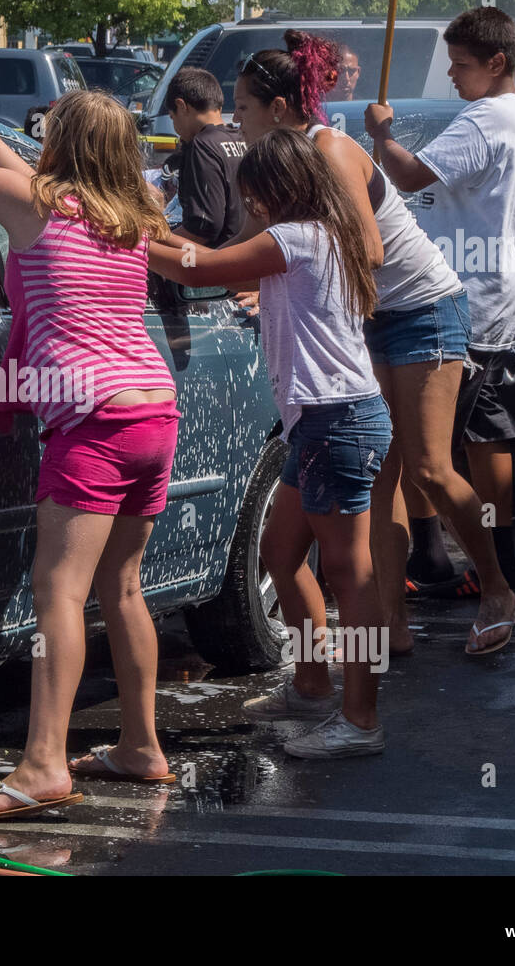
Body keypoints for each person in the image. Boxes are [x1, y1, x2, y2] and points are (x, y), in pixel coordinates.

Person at [0, 79, 183, 818]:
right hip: (153, 410)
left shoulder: (40, 208)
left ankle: (42, 764)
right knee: (122, 587)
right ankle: (140, 745)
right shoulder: (128, 220)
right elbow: (16, 179)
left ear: (62, 143)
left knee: (58, 591)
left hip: (93, 420)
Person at [231, 29, 515, 657]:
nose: (236, 118)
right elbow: (244, 251)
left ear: (279, 109)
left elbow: (371, 248)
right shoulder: (277, 163)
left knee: (429, 469)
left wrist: (292, 272)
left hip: (423, 309)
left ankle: (497, 588)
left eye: (244, 107)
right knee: (381, 475)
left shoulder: (330, 151)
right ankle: (388, 625)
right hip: (370, 316)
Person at [149, 128, 391, 757]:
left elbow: (194, 266)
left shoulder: (295, 238)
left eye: (250, 188)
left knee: (349, 574)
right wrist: (154, 229)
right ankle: (312, 686)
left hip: (337, 423)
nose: (246, 200)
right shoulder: (319, 235)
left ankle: (361, 720)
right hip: (323, 423)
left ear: (272, 188)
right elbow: (213, 260)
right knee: (281, 553)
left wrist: (133, 232)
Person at [365, 7, 515, 654]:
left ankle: (496, 582)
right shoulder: (514, 115)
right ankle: (405, 602)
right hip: (470, 295)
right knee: (403, 460)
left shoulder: (489, 116)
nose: (451, 75)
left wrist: (383, 135)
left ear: (496, 63)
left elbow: (409, 175)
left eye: (461, 65)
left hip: (463, 300)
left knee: (430, 464)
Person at [164, 67, 248, 246]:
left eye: (172, 117)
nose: (175, 128)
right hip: (245, 257)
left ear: (181, 106)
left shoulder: (202, 145)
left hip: (214, 261)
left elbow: (203, 226)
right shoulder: (243, 138)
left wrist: (154, 243)